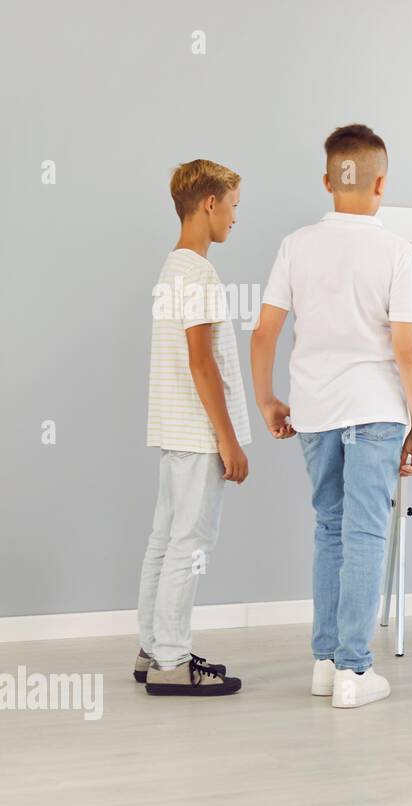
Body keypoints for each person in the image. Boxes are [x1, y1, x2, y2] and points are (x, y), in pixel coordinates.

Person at [250, 124, 412, 709]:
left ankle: (326, 663)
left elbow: (266, 331)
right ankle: (355, 670)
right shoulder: (396, 250)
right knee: (366, 533)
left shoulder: (296, 244)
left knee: (329, 528)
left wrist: (267, 399)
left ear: (328, 181)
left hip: (315, 409)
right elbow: (408, 348)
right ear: (382, 183)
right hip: (376, 410)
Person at [136, 159, 250, 697]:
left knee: (165, 540)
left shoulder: (172, 267)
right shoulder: (199, 274)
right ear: (210, 203)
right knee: (189, 542)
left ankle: (154, 648)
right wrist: (228, 439)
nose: (234, 217)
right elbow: (201, 364)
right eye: (232, 206)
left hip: (172, 427)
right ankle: (172, 662)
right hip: (197, 432)